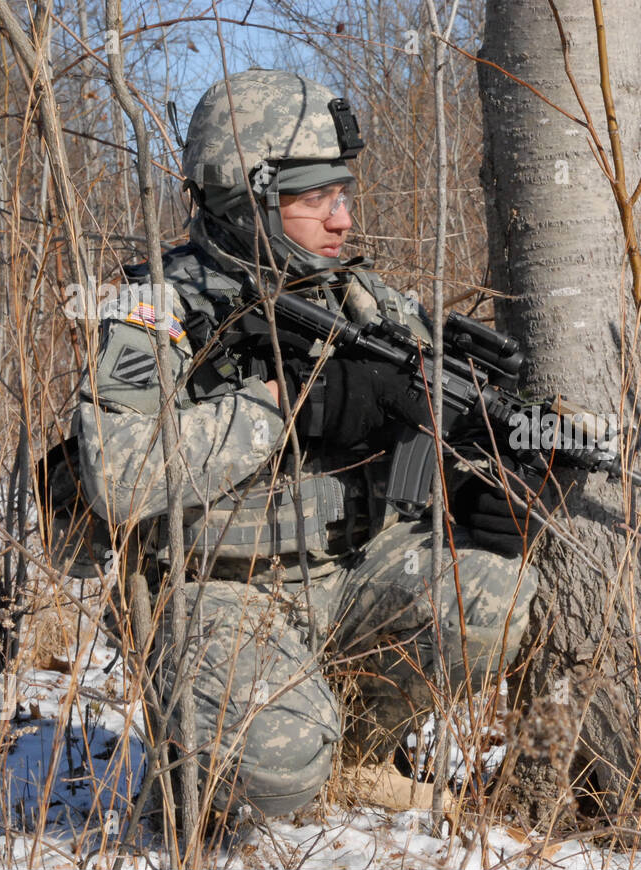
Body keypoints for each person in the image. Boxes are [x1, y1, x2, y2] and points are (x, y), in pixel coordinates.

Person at [71, 69, 542, 821]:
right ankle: (198, 789)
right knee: (276, 767)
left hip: (350, 568)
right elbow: (119, 476)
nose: (341, 220)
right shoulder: (150, 305)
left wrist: (483, 483)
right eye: (314, 199)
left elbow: (443, 413)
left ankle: (354, 761)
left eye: (342, 194)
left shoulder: (359, 297)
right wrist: (286, 403)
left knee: (493, 597)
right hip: (219, 589)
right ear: (244, 198)